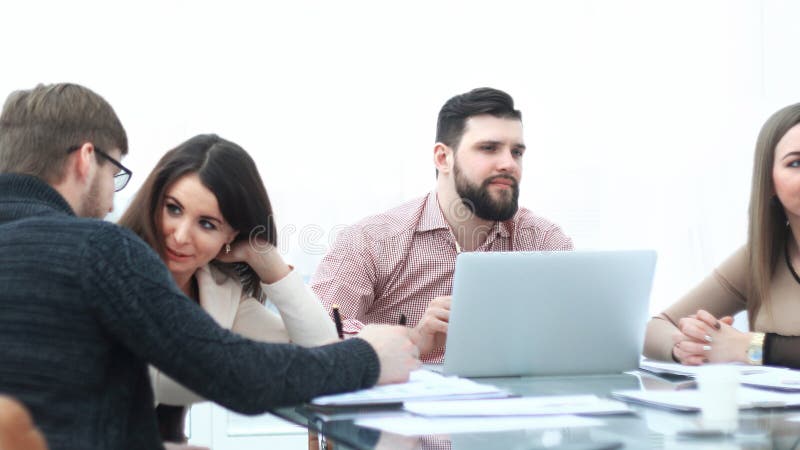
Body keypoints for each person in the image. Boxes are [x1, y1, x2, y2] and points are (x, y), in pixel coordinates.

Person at [0, 82, 419, 450]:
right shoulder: (97, 249)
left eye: (207, 224)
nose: (111, 201)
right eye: (115, 174)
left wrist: (267, 259)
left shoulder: (209, 286)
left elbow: (58, 406)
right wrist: (368, 356)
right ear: (85, 160)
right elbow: (235, 375)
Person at [311, 87, 573, 363]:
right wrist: (412, 340)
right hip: (405, 400)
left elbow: (577, 337)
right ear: (442, 158)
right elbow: (314, 336)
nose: (509, 163)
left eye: (517, 152)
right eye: (489, 148)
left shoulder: (545, 242)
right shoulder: (371, 241)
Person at [117, 134, 338, 442]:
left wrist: (268, 262)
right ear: (154, 201)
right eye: (173, 209)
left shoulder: (221, 292)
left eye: (207, 224)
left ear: (231, 235)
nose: (180, 236)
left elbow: (324, 358)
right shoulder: (112, 267)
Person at [644, 102, 800, 368]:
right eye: (795, 163)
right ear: (769, 182)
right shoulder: (761, 255)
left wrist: (747, 347)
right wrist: (687, 346)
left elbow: (743, 347)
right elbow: (654, 329)